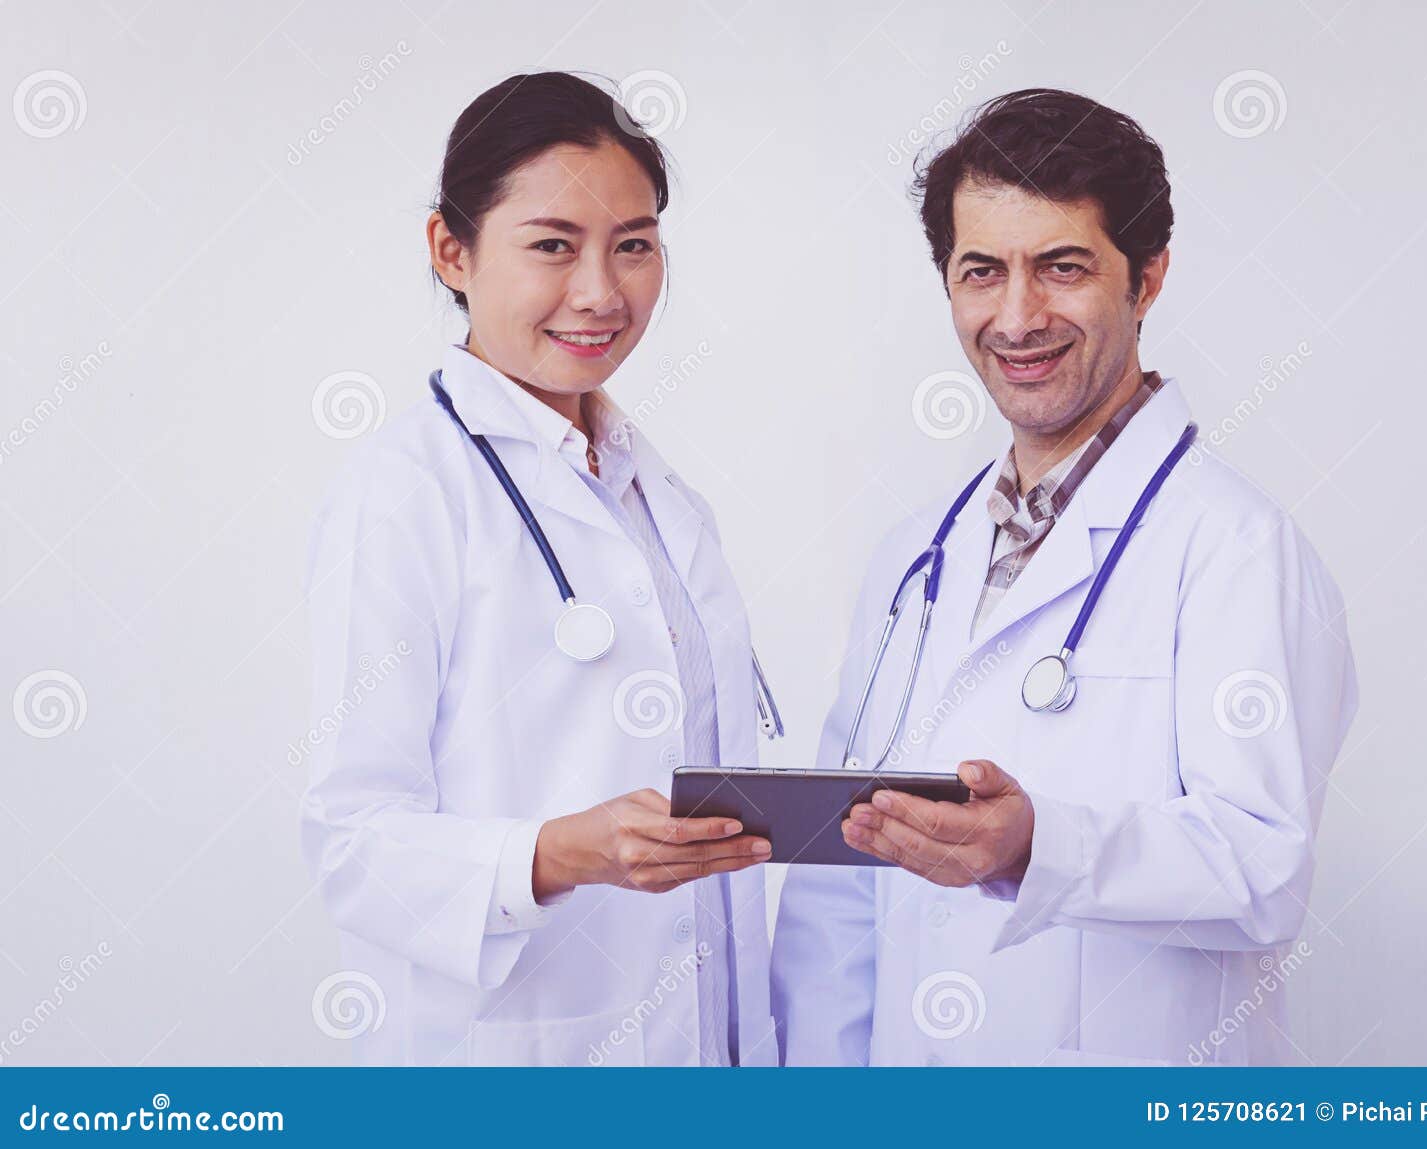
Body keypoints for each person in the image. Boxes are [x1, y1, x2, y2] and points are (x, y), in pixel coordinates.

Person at [771, 88, 1359, 1066]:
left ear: (1148, 277)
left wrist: (1037, 843)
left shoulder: (1234, 548)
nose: (1017, 315)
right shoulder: (916, 556)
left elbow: (1263, 869)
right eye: (981, 272)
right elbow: (845, 872)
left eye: (1062, 266)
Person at [299, 72, 777, 1066]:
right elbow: (353, 842)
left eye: (633, 245)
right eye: (553, 245)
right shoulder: (405, 490)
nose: (602, 293)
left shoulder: (657, 491)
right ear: (452, 249)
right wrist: (564, 851)